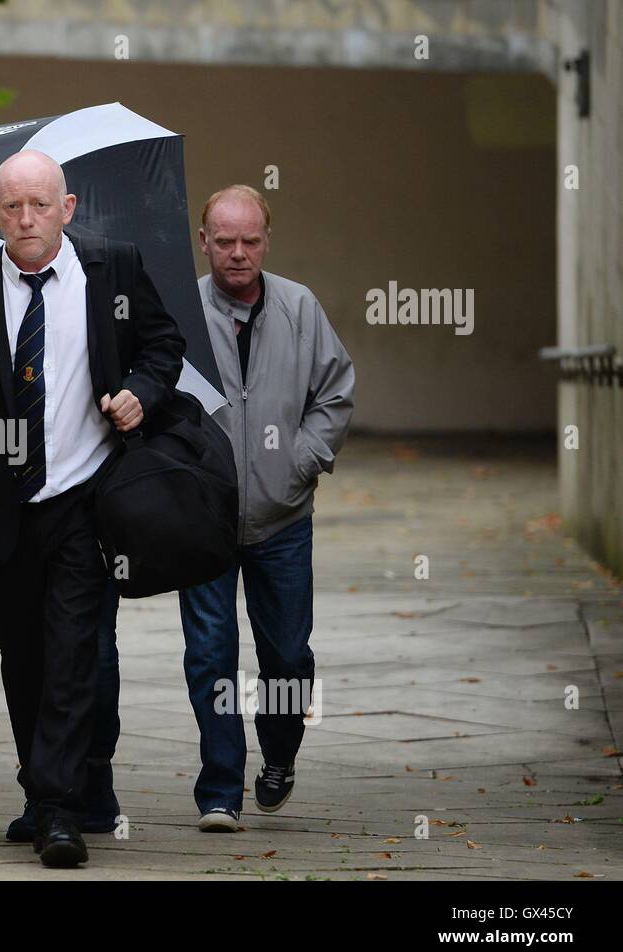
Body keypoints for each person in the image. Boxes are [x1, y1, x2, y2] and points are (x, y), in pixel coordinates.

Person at [0, 150, 185, 868]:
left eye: (39, 204)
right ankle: (41, 786)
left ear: (69, 206)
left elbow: (163, 343)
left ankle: (61, 808)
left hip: (86, 499)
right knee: (22, 656)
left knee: (71, 653)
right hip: (1, 507)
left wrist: (140, 394)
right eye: (12, 207)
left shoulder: (112, 268)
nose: (26, 219)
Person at [182, 185, 354, 833]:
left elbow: (335, 391)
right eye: (224, 240)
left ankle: (279, 755)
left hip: (281, 517)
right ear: (204, 241)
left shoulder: (299, 307)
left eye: (250, 240)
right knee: (209, 652)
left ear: (267, 239)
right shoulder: (182, 310)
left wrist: (300, 461)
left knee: (286, 654)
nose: (237, 253)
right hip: (204, 518)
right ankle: (220, 788)